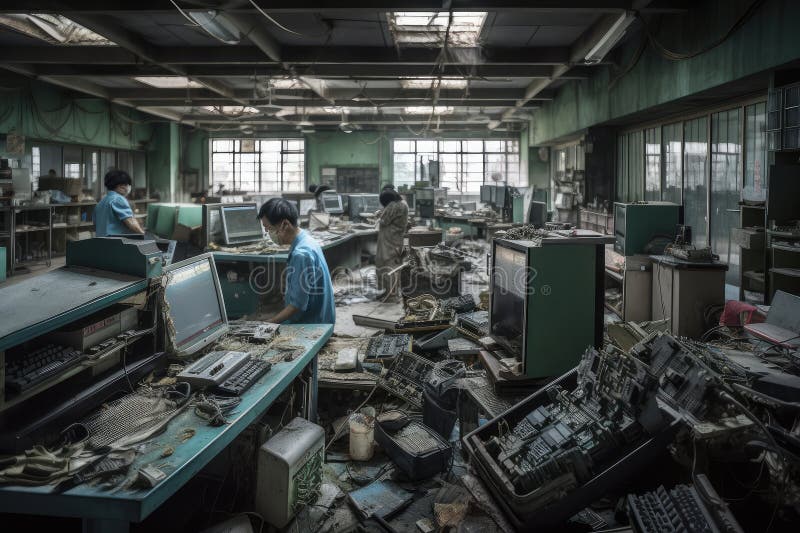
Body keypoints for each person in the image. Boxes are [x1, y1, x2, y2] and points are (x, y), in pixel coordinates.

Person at [258, 198, 335, 325]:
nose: (268, 233)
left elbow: (296, 306)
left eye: (269, 229)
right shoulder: (307, 240)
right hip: (322, 317)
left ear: (285, 224)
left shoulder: (301, 254)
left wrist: (270, 323)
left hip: (312, 324)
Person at [376, 189, 408, 299]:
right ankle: (392, 292)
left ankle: (389, 294)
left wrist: (378, 216)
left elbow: (384, 221)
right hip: (396, 238)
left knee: (386, 265)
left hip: (389, 239)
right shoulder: (402, 203)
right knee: (394, 265)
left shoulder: (394, 205)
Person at [94, 169, 144, 237]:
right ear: (121, 186)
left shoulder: (100, 203)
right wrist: (143, 234)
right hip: (116, 241)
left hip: (100, 240)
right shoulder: (118, 199)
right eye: (127, 185)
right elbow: (131, 222)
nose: (128, 188)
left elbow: (95, 225)